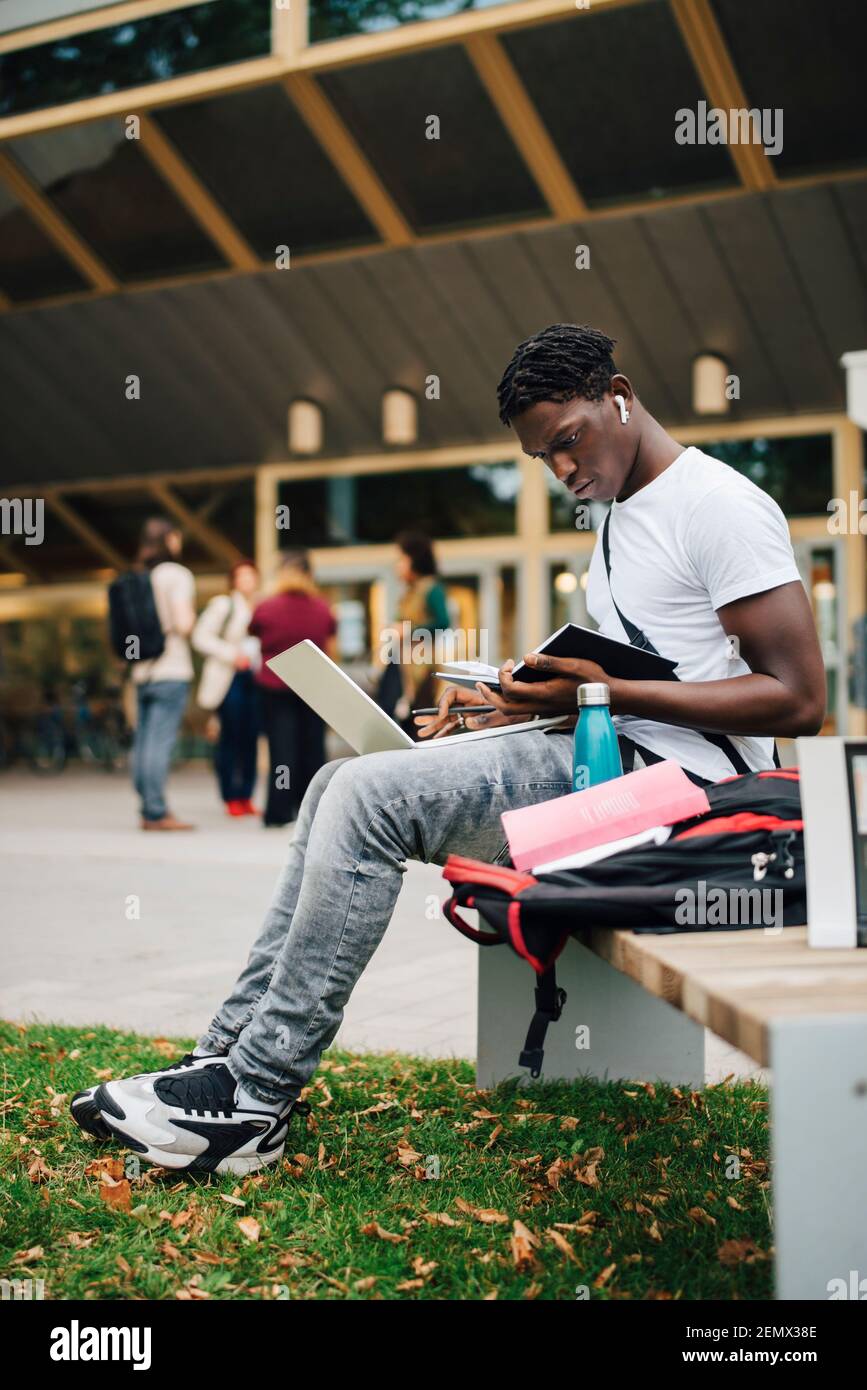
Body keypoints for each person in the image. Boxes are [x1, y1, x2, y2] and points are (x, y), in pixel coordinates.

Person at [72, 324, 826, 1173]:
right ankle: (224, 1054)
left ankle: (254, 1099)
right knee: (334, 781)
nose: (563, 471)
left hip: (685, 798)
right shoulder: (620, 515)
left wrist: (597, 693)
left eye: (567, 442)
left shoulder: (717, 505)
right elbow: (625, 669)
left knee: (369, 799)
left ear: (618, 394)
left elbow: (798, 698)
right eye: (543, 458)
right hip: (615, 765)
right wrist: (507, 704)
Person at [250, 550, 337, 828]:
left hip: (274, 685)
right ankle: (311, 811)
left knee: (281, 749)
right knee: (312, 748)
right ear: (309, 575)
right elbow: (331, 648)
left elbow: (254, 635)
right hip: (313, 684)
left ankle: (278, 811)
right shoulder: (322, 608)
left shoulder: (267, 607)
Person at [130, 517, 196, 832]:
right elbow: (183, 624)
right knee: (160, 741)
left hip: (142, 669)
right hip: (170, 666)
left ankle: (147, 806)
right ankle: (156, 811)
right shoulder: (176, 575)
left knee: (144, 739)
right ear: (170, 539)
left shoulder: (139, 576)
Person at [192, 559, 261, 817]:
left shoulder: (259, 605)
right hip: (229, 678)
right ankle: (230, 795)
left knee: (250, 738)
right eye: (241, 576)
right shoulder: (224, 605)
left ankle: (246, 794)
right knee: (230, 737)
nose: (246, 581)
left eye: (250, 576)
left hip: (253, 679)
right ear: (233, 580)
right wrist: (232, 654)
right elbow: (200, 637)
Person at [375, 531, 452, 731]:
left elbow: (443, 622)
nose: (397, 565)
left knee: (416, 721)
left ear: (414, 559)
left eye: (401, 558)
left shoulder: (431, 589)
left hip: (419, 667)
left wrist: (408, 630)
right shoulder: (410, 590)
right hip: (401, 661)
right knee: (389, 713)